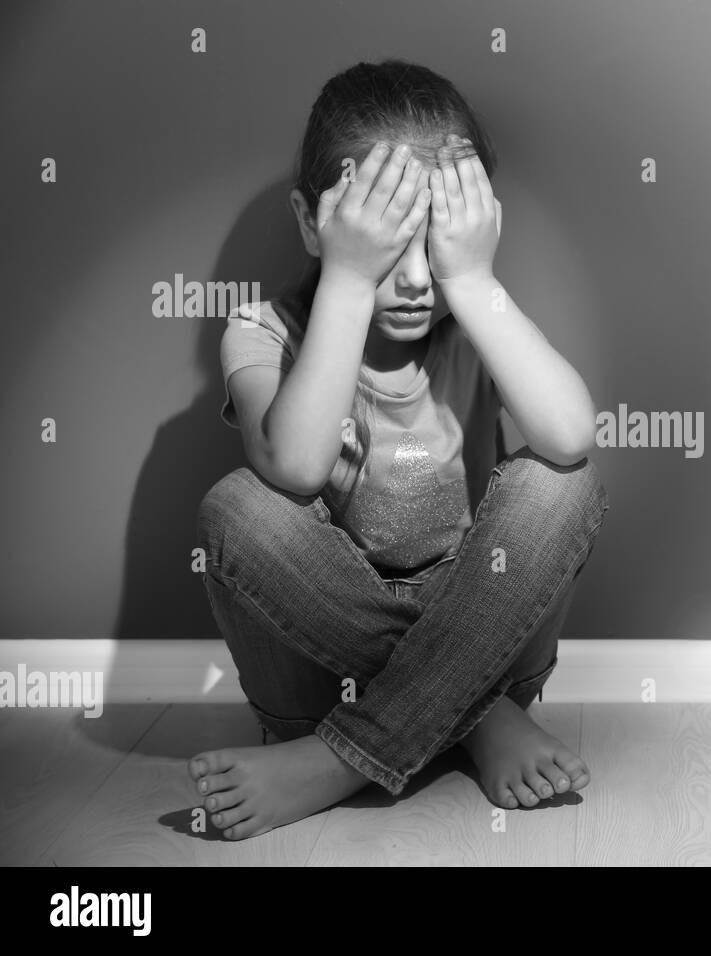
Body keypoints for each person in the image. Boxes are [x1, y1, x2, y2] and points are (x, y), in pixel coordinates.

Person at [190, 60, 608, 841]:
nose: (417, 278)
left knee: (564, 485)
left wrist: (475, 281)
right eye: (386, 244)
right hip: (318, 678)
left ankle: (338, 761)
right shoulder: (259, 332)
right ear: (315, 224)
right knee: (237, 508)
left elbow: (569, 436)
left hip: (485, 624)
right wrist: (347, 285)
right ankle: (477, 721)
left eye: (436, 244)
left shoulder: (477, 321)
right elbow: (297, 468)